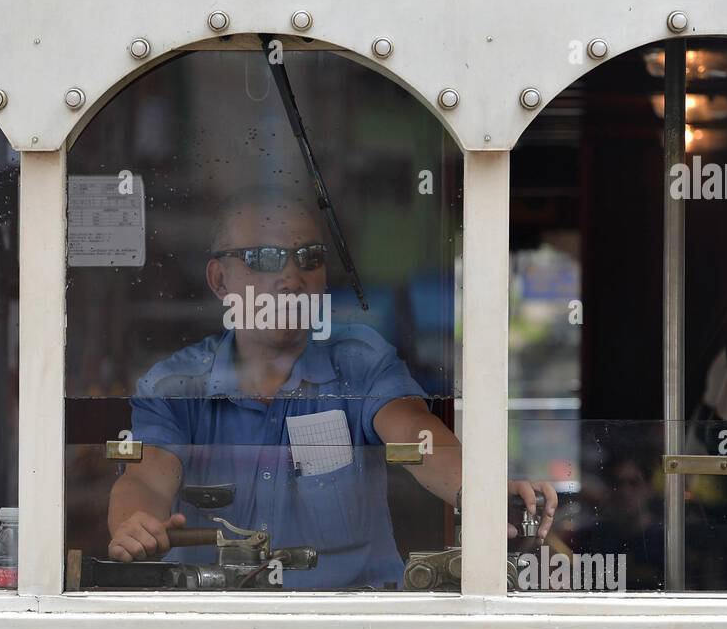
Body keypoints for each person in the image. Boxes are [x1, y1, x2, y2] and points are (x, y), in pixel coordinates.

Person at [107, 192, 556, 588]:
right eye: (264, 258)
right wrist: (135, 525)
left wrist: (481, 491)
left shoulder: (358, 362)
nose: (290, 277)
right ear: (219, 280)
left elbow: (415, 433)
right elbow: (146, 475)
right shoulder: (177, 386)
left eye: (309, 257)